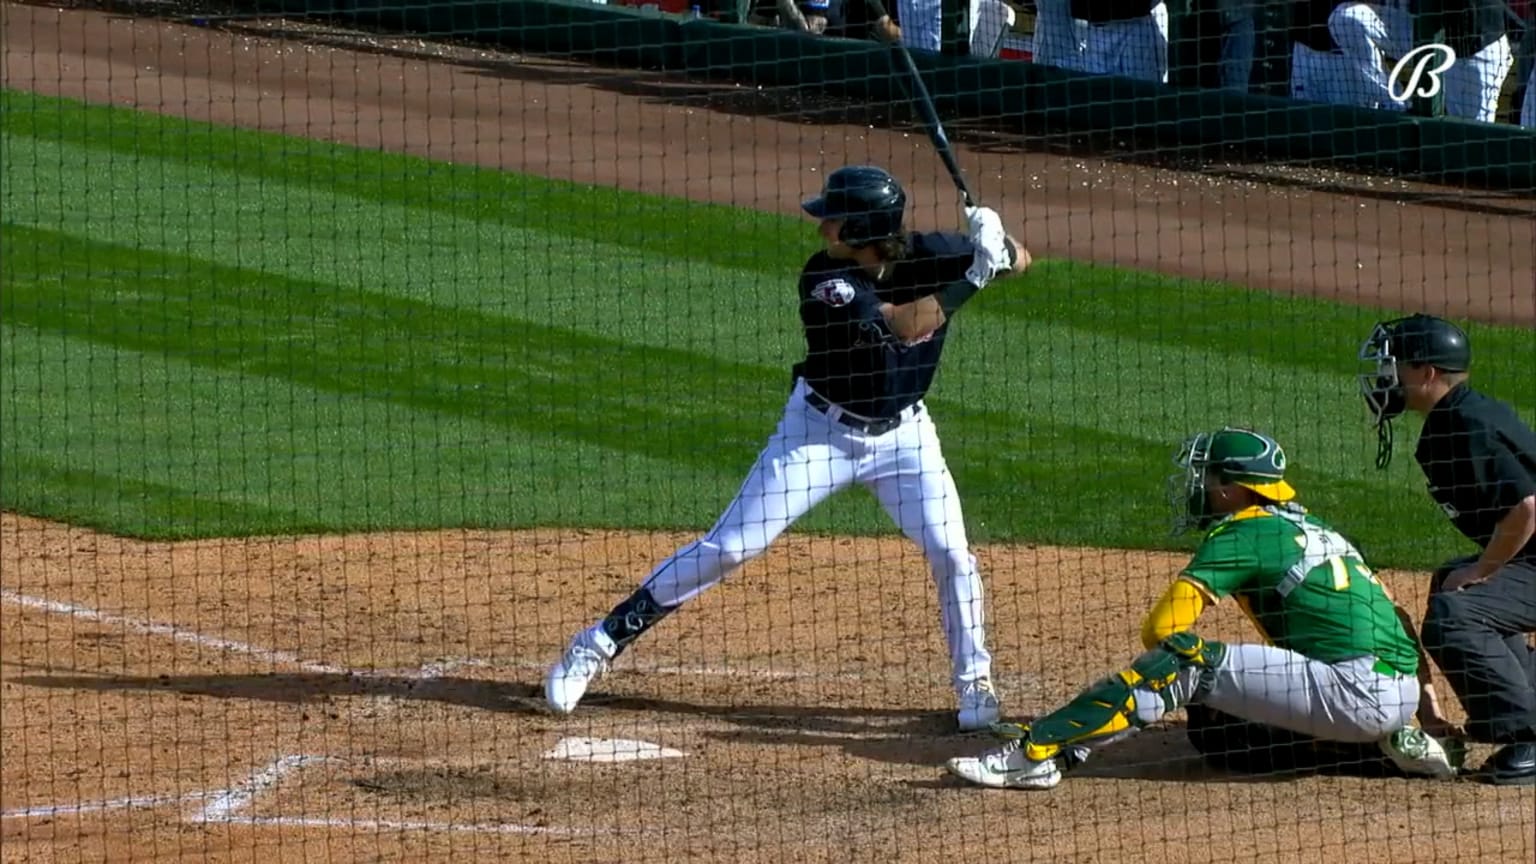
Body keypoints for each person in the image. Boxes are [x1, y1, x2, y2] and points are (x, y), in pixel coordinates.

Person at [545, 165, 1030, 731]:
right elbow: (902, 326)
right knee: (731, 546)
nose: (822, 225)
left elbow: (1022, 261)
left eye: (834, 217)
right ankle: (597, 645)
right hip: (819, 435)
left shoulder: (934, 252)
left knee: (952, 554)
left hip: (905, 438)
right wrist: (975, 274)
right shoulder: (827, 281)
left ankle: (976, 685)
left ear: (862, 227)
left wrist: (993, 238)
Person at [945, 427, 1459, 789]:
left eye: (1208, 477)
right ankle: (1381, 746)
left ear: (1233, 488)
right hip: (1397, 691)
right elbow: (1399, 618)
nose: (1201, 487)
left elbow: (1161, 632)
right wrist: (1428, 708)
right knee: (1216, 727)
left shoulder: (1242, 533)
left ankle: (1039, 754)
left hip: (1352, 693)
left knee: (1186, 661)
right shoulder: (1320, 529)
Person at [1358, 313, 1536, 786]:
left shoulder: (1465, 424)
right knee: (1450, 582)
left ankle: (1527, 736)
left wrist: (1485, 568)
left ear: (1427, 373)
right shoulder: (1460, 413)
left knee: (1458, 613)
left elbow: (1527, 508)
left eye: (1395, 366)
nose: (1385, 376)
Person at [1325, 0, 1512, 121]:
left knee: (1471, 143)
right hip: (1423, 31)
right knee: (1347, 18)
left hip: (1471, 45)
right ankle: (1395, 109)